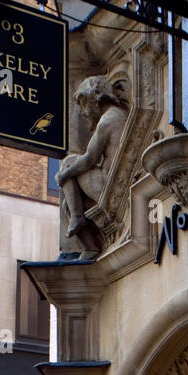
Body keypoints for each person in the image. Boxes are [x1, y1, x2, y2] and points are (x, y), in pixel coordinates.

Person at [56, 76, 127, 250]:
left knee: (69, 161)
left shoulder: (108, 120)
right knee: (69, 204)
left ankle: (77, 216)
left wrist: (64, 174)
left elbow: (89, 158)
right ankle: (90, 248)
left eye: (85, 105)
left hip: (108, 185)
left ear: (94, 99)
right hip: (112, 182)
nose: (85, 113)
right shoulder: (118, 115)